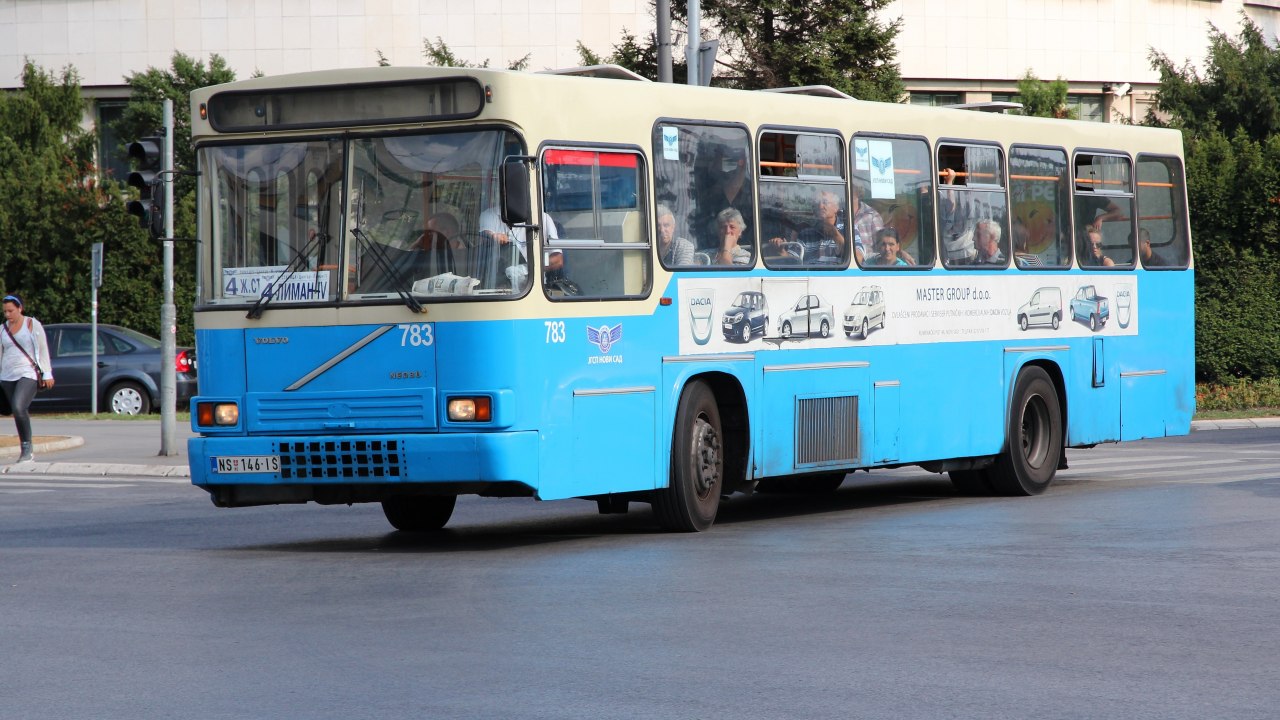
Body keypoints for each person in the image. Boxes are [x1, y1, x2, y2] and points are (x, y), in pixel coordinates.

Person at [1, 294, 53, 463]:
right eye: (5, 311)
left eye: (11, 311)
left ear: (20, 308)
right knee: (15, 411)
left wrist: (47, 373)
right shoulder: (2, 329)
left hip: (28, 372)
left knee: (18, 406)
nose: (8, 315)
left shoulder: (31, 324)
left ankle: (27, 449)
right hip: (7, 375)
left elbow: (43, 348)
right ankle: (25, 446)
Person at [770, 189, 848, 264]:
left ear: (836, 207)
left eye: (825, 202)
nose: (820, 206)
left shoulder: (848, 229)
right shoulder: (806, 233)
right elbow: (794, 261)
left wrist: (836, 235)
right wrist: (781, 251)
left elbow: (857, 257)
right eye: (817, 203)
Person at [849, 182, 883, 264]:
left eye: (851, 188)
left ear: (858, 192)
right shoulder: (840, 213)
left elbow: (882, 244)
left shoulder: (872, 215)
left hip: (866, 264)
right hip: (845, 261)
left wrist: (900, 252)